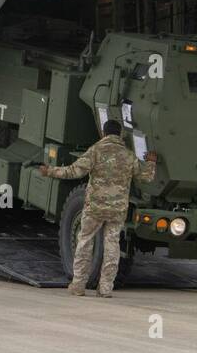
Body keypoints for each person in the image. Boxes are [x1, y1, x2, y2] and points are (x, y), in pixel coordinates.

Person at [38, 119, 157, 298]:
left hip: (95, 208)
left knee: (85, 241)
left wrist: (50, 171)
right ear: (120, 134)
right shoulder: (128, 155)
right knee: (112, 245)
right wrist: (151, 162)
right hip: (117, 210)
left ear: (103, 133)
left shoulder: (95, 150)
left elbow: (73, 171)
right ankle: (106, 288)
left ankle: (78, 285)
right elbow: (146, 177)